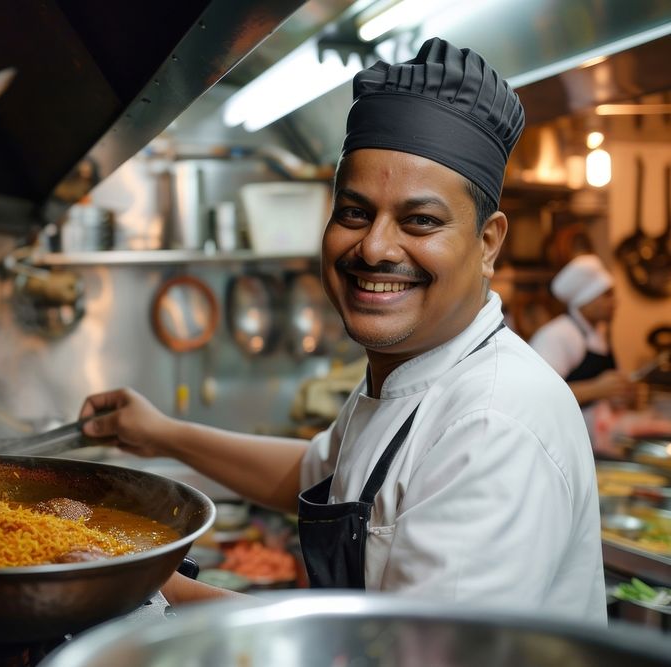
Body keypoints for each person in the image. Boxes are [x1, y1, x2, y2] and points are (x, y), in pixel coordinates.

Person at [80, 38, 606, 623]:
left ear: (488, 244)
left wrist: (141, 579)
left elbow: (411, 654)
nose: (375, 247)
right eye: (354, 212)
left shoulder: (493, 424)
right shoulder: (408, 371)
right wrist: (158, 433)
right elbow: (317, 472)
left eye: (420, 221)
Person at [529, 254, 635, 409]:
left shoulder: (599, 333)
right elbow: (538, 394)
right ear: (586, 300)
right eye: (607, 295)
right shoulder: (558, 335)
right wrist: (595, 389)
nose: (615, 301)